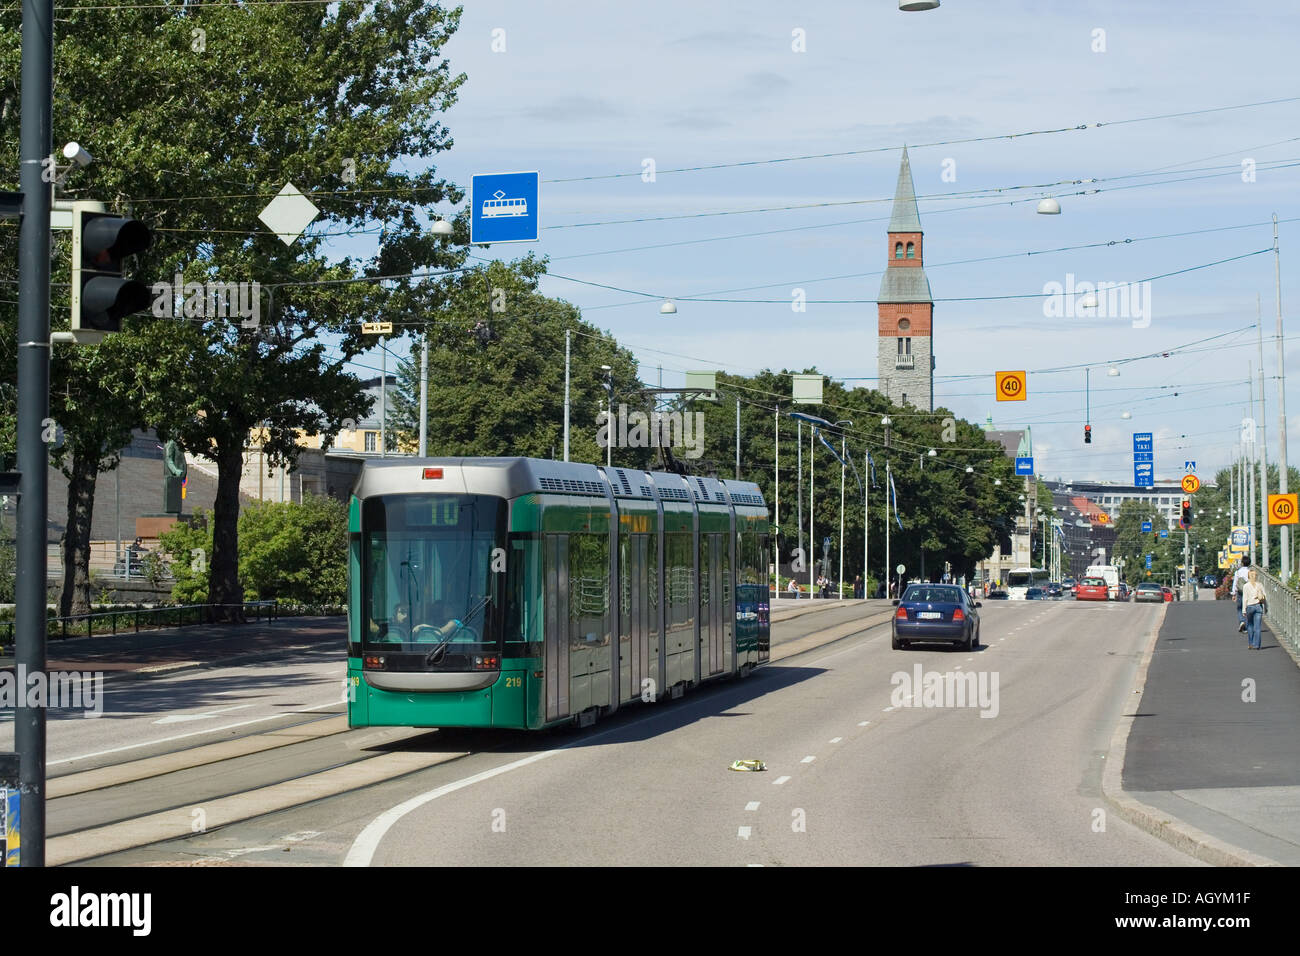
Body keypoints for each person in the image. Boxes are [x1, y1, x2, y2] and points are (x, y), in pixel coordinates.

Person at [1241, 568, 1266, 650]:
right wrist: (1265, 607)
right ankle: (1257, 645)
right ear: (1256, 576)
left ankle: (1251, 643)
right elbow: (1264, 596)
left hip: (1249, 607)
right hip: (1258, 606)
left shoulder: (1246, 586)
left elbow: (1245, 598)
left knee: (1250, 625)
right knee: (1257, 627)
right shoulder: (1260, 585)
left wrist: (1244, 610)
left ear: (1248, 576)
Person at [1230, 556, 1252, 633]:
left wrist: (1233, 593)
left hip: (1240, 592)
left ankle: (1242, 621)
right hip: (1248, 592)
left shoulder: (1238, 572)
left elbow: (1235, 583)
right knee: (1246, 608)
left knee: (1240, 608)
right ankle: (1246, 625)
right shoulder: (1250, 572)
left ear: (1242, 563)